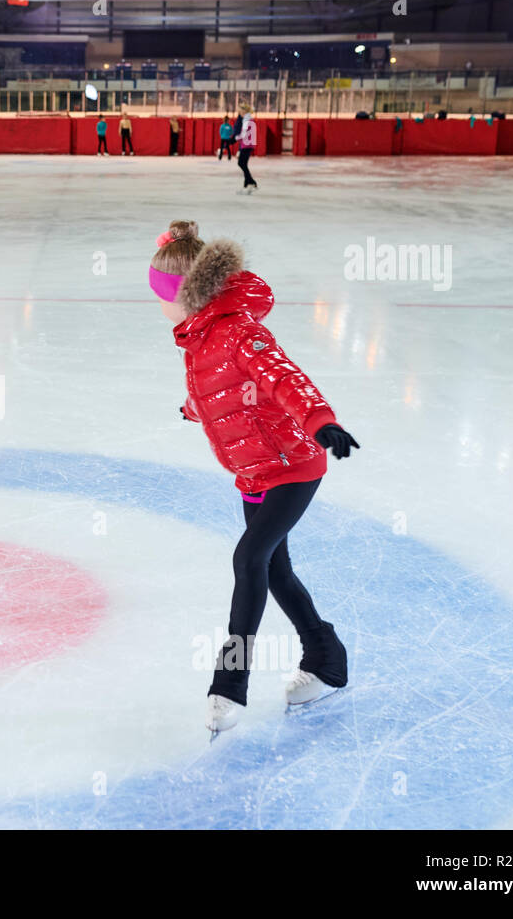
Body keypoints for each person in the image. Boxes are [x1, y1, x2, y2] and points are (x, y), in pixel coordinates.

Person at [148, 220, 359, 734]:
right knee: (273, 571)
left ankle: (230, 682)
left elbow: (284, 379)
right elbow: (223, 392)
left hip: (293, 464)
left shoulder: (242, 332)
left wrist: (320, 421)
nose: (156, 302)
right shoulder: (198, 339)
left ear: (186, 294)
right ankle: (327, 658)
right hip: (254, 471)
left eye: (160, 292)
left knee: (249, 557)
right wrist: (193, 408)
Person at [236, 104, 258, 192]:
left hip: (246, 145)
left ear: (243, 111)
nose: (239, 113)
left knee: (241, 163)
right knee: (243, 164)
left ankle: (252, 182)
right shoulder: (249, 119)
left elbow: (244, 134)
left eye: (240, 112)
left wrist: (236, 138)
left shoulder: (246, 120)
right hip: (248, 144)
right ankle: (246, 185)